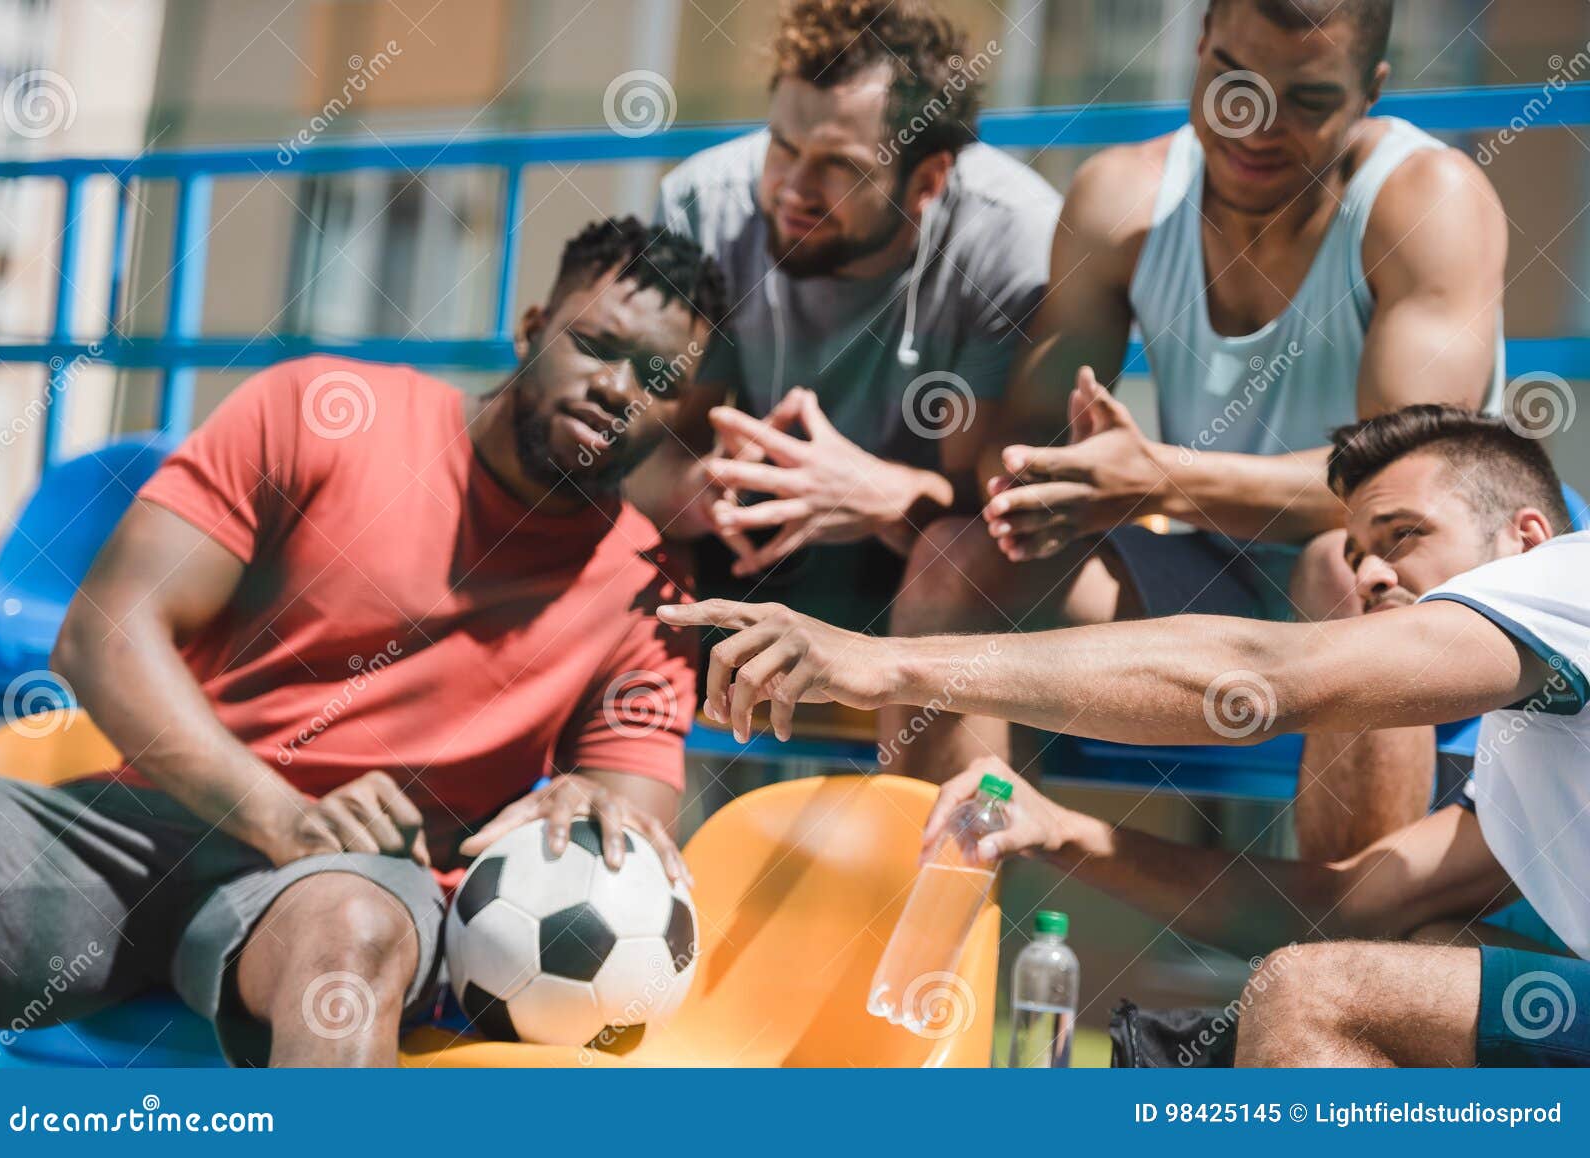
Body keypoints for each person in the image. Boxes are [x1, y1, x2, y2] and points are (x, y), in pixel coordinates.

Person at [0, 217, 727, 1068]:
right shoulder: (322, 410)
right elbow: (103, 635)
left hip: (356, 875)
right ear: (533, 326)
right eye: (595, 345)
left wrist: (597, 810)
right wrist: (282, 815)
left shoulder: (648, 587)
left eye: (658, 377)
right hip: (156, 818)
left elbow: (626, 811)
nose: (617, 387)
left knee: (351, 938)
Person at [660, 404, 1590, 1067]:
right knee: (1406, 948)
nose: (1374, 574)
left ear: (1526, 535)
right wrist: (1064, 830)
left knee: (1313, 998)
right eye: (1357, 551)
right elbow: (1339, 906)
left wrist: (892, 663)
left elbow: (1267, 677)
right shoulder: (1526, 762)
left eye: (1402, 534)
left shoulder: (1570, 582)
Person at [883, 0, 1508, 869]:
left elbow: (1398, 493)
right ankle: (928, 955)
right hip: (1224, 569)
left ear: (1371, 92)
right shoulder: (1121, 196)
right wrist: (1054, 472)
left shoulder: (1427, 200)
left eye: (1308, 97)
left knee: (1354, 571)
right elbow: (1018, 441)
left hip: (1416, 588)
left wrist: (1154, 480)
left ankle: (1343, 984)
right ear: (1198, 49)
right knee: (956, 568)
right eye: (1231, 79)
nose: (1257, 123)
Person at [635, 0, 1061, 633]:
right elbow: (647, 449)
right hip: (750, 546)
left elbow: (998, 504)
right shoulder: (704, 205)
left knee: (954, 559)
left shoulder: (1010, 240)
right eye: (780, 147)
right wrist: (699, 488)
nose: (791, 190)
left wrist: (882, 496)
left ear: (928, 180)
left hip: (916, 559)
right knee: (596, 533)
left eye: (840, 165)